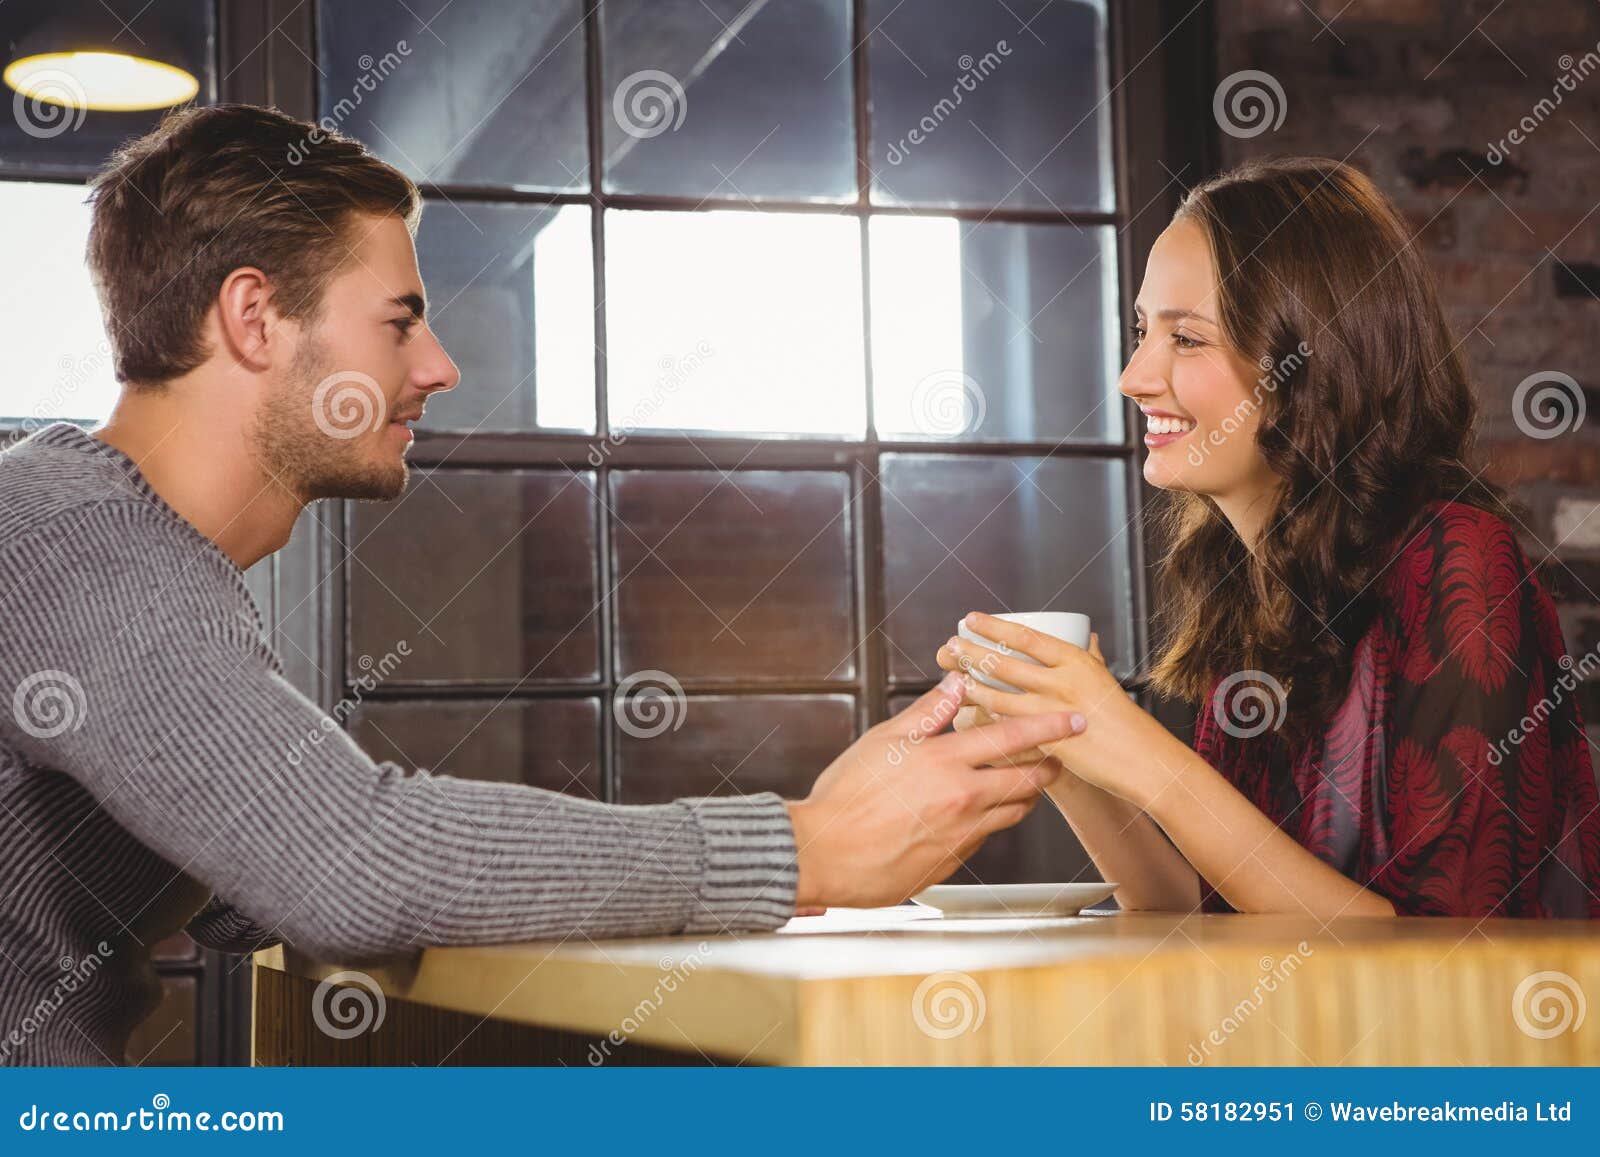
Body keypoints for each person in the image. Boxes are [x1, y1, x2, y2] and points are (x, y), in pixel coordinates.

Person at [0, 103, 1086, 1066]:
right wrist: (809, 843)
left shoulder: (131, 552)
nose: (437, 366)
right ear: (253, 319)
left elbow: (295, 872)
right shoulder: (75, 542)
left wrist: (826, 819)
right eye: (397, 321)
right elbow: (348, 863)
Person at [940, 156, 1600, 920]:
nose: (1132, 375)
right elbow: (1207, 911)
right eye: (1141, 330)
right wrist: (1066, 749)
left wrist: (1145, 754)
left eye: (1186, 339)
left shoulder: (1460, 564)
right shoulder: (1252, 577)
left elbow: (1432, 961)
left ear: (1310, 364)